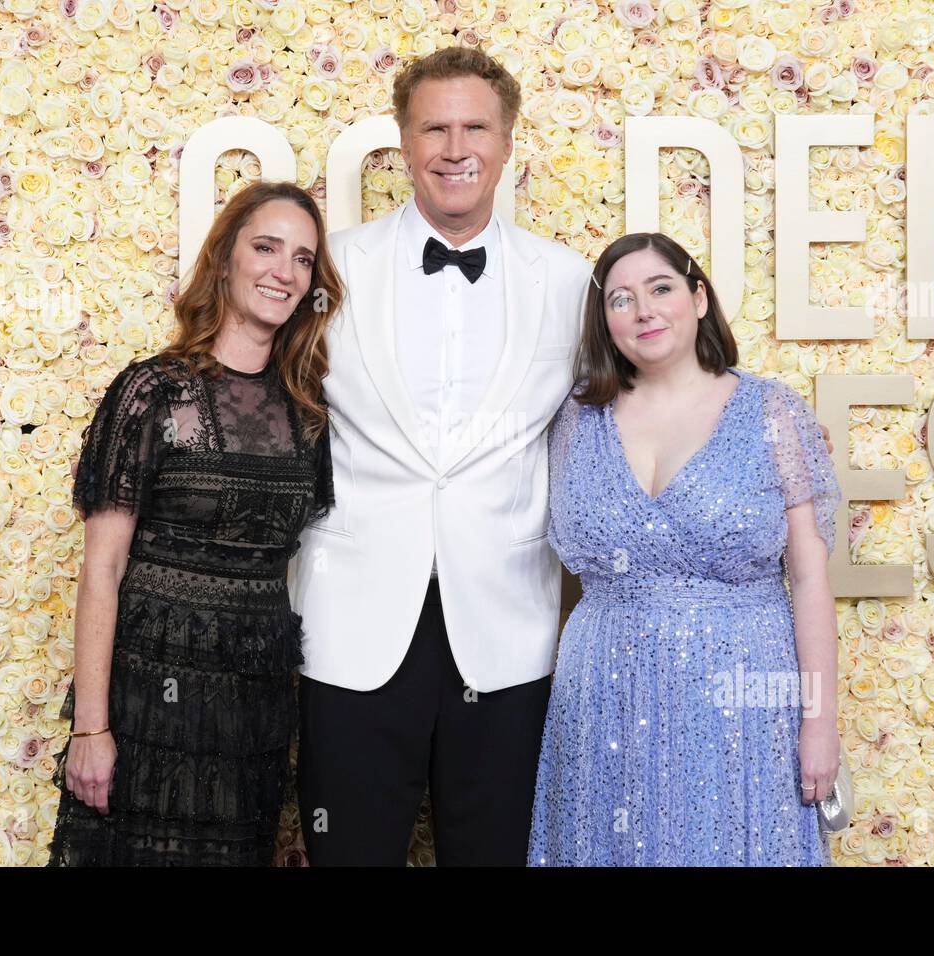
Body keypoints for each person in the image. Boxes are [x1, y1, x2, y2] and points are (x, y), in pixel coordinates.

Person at [290, 47, 593, 866]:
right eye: (434, 129)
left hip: (508, 628)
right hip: (352, 625)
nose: (455, 148)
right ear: (403, 142)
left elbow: (614, 423)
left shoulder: (571, 281)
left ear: (507, 141)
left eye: (475, 128)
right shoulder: (329, 268)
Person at [46, 181, 342, 866]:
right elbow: (102, 568)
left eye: (302, 259)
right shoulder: (152, 390)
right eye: (265, 248)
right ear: (224, 259)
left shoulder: (307, 412)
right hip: (148, 700)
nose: (283, 271)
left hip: (252, 713)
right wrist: (90, 729)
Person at [527, 233, 842, 866]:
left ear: (699, 298)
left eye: (661, 288)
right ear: (605, 322)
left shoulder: (771, 412)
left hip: (741, 698)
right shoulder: (574, 419)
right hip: (602, 695)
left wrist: (820, 721)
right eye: (621, 299)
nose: (643, 310)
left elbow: (809, 578)